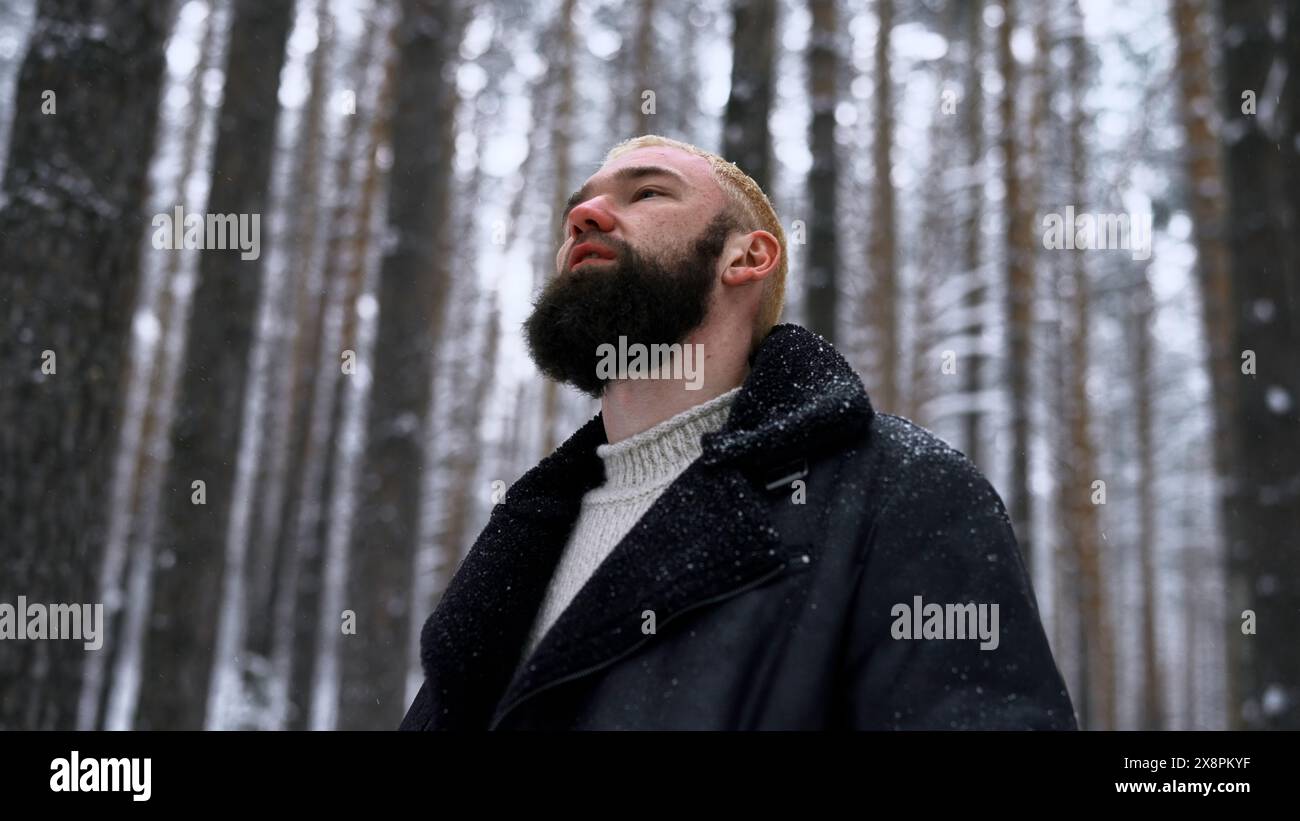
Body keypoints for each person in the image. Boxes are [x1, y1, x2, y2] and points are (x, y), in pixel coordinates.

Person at [399, 134, 1076, 730]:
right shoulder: (528, 535)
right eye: (581, 203)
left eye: (647, 193)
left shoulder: (896, 493)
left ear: (747, 256)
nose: (585, 215)